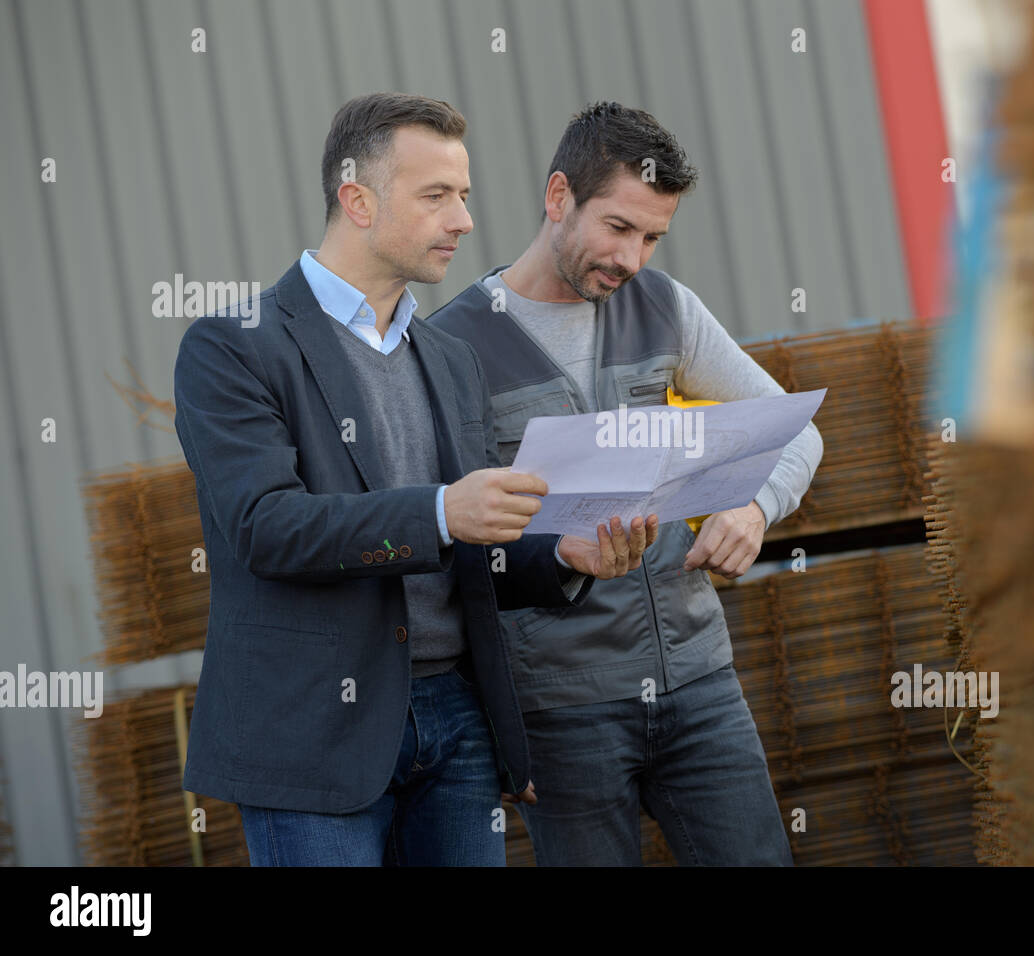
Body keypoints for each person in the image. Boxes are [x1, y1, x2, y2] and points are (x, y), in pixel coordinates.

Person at [172, 93, 656, 867]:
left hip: (457, 723)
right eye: (436, 196)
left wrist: (564, 555)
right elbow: (267, 528)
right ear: (356, 199)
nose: (464, 220)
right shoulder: (233, 348)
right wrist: (438, 511)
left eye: (463, 196)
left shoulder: (447, 358)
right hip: (313, 736)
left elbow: (468, 548)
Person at [430, 101, 823, 865]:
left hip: (701, 686)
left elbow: (796, 429)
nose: (633, 258)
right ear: (557, 198)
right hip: (561, 712)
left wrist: (754, 504)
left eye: (652, 237)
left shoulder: (665, 308)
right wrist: (506, 732)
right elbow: (449, 555)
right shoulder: (450, 348)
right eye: (618, 228)